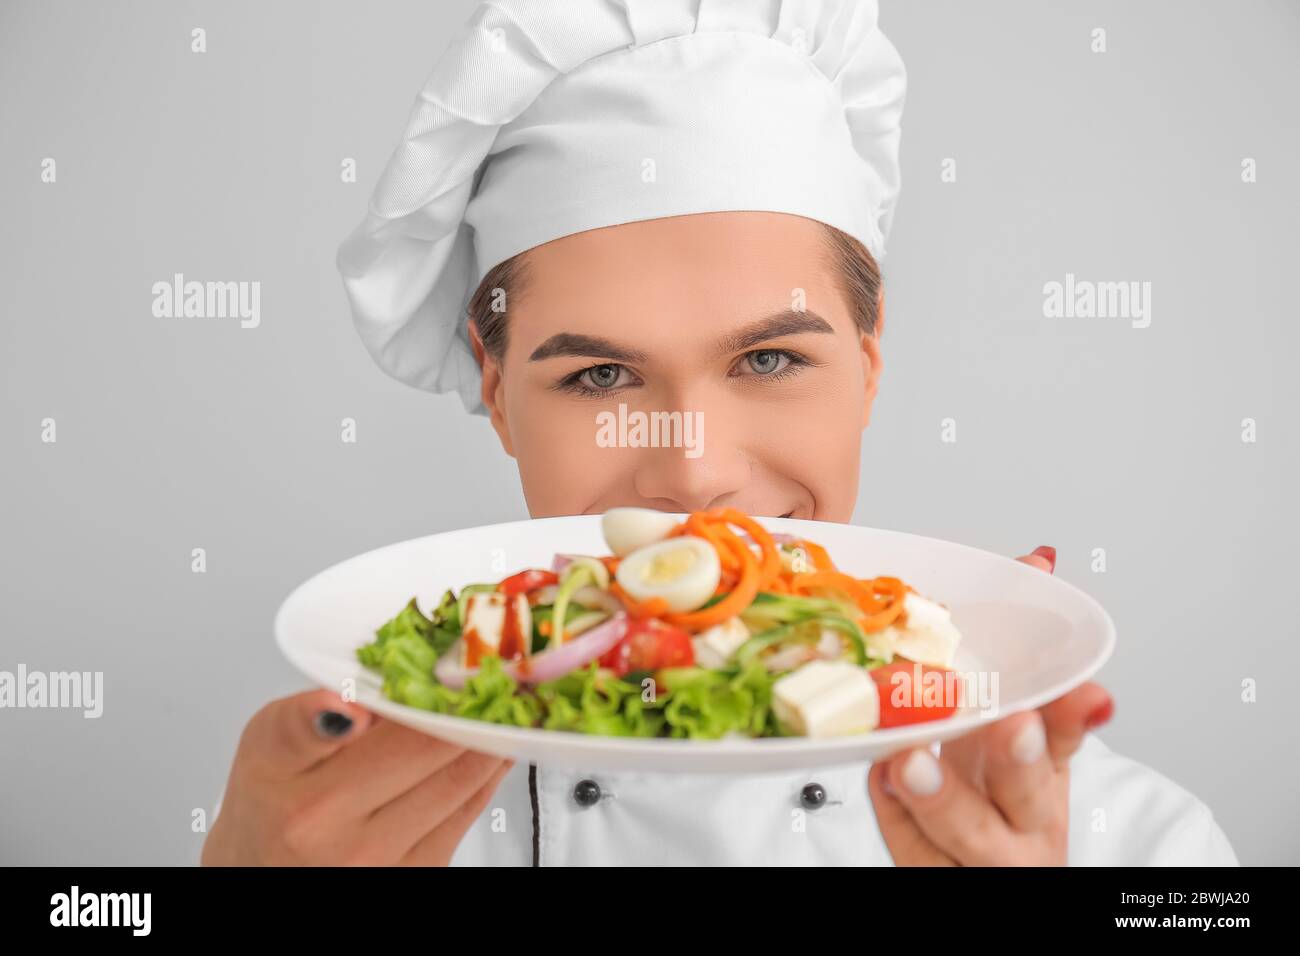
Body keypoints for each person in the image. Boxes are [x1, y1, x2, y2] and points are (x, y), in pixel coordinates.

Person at [201, 0, 1237, 866]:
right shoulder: (329, 826)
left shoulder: (1140, 848)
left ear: (867, 366)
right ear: (499, 390)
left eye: (770, 359)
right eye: (599, 374)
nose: (694, 474)